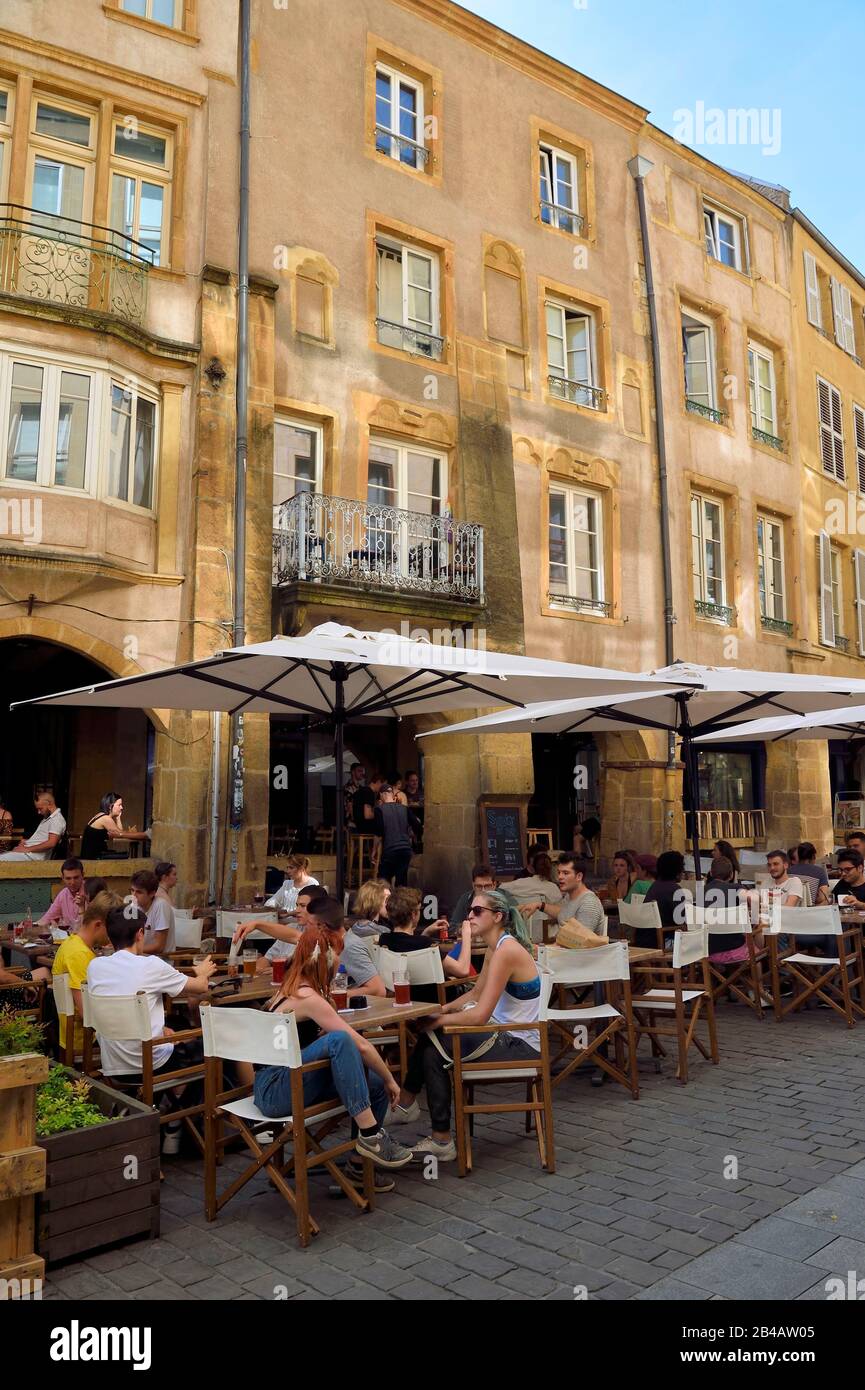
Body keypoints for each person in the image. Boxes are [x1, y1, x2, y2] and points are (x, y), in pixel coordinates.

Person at [253, 925, 413, 1190]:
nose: (340, 964)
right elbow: (360, 1045)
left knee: (372, 1084)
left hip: (284, 1081)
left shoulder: (290, 988)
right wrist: (391, 1079)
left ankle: (358, 1167)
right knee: (341, 1040)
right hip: (277, 1090)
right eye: (338, 956)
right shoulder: (308, 998)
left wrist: (380, 1080)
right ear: (324, 960)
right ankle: (371, 1135)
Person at [392, 888, 542, 1160]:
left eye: (477, 911)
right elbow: (474, 994)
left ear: (498, 916)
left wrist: (436, 1020)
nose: (470, 916)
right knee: (432, 1042)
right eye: (470, 910)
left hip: (519, 1043)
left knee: (433, 1044)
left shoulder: (506, 951)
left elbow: (479, 1015)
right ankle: (420, 1119)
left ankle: (414, 1113)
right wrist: (439, 1011)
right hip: (501, 1032)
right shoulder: (496, 946)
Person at [52, 892, 120, 1055]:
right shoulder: (80, 955)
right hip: (86, 1041)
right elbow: (87, 1013)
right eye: (112, 929)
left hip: (77, 1037)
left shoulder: (71, 942)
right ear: (98, 925)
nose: (114, 935)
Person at [306, 896, 387, 998]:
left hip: (351, 1009)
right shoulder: (327, 944)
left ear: (322, 927)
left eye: (309, 923)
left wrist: (335, 995)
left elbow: (378, 989)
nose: (306, 927)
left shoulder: (350, 946)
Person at [522, 854, 606, 947]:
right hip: (563, 953)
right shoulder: (569, 896)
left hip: (579, 958)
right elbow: (563, 913)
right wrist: (540, 905)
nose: (560, 877)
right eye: (559, 872)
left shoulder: (589, 903)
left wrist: (544, 950)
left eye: (565, 873)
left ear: (579, 876)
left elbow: (579, 943)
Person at [702, 856, 748, 962]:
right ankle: (755, 978)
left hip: (706, 950)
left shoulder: (701, 891)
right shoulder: (736, 888)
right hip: (733, 949)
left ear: (711, 873)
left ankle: (723, 977)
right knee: (757, 954)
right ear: (731, 874)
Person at [373, 784, 420, 886]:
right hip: (405, 851)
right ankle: (401, 901)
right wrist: (411, 835)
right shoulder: (404, 808)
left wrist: (374, 850)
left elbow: (379, 832)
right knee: (401, 882)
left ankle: (385, 901)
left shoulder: (379, 810)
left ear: (381, 795)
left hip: (390, 851)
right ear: (392, 795)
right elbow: (417, 825)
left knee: (383, 881)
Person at [641, 850, 687, 947]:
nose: (683, 871)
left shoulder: (655, 885)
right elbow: (681, 921)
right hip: (664, 940)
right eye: (682, 867)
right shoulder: (674, 889)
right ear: (676, 871)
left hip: (646, 939)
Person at [0, 792, 65, 861]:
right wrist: (27, 842)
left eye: (40, 808)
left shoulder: (57, 819)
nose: (38, 812)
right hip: (28, 853)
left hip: (32, 856)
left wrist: (27, 849)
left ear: (48, 804)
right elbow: (42, 839)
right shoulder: (49, 818)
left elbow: (51, 843)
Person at [80, 793, 149, 859]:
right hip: (94, 857)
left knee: (122, 854)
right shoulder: (106, 819)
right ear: (110, 806)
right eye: (119, 805)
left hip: (93, 855)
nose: (122, 807)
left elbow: (119, 833)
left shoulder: (100, 815)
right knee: (125, 856)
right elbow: (120, 835)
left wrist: (118, 818)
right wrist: (139, 834)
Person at [130, 869, 176, 955]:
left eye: (139, 892)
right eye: (132, 890)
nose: (133, 895)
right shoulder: (133, 906)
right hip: (141, 958)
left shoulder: (161, 905)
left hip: (162, 960)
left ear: (151, 893)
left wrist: (132, 949)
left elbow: (159, 946)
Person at [37, 858, 85, 928]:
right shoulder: (63, 894)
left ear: (83, 875)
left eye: (76, 877)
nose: (72, 882)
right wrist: (28, 926)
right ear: (63, 878)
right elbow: (46, 920)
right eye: (68, 878)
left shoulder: (91, 890)